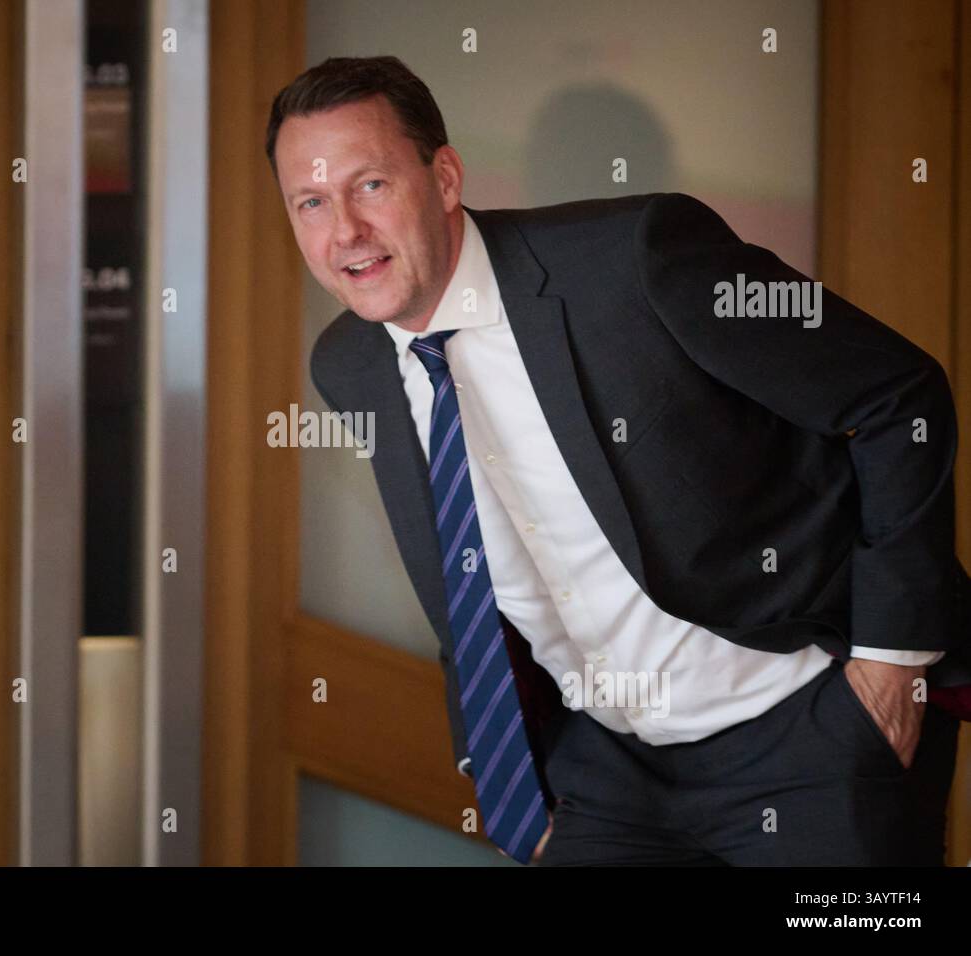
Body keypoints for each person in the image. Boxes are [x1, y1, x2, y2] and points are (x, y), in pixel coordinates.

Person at [266, 55, 970, 865]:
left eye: (371, 186)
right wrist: (507, 777)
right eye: (311, 202)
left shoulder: (635, 261)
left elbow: (896, 397)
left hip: (807, 730)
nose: (344, 232)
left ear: (447, 177)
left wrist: (891, 665)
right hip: (606, 774)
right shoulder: (349, 362)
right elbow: (464, 583)